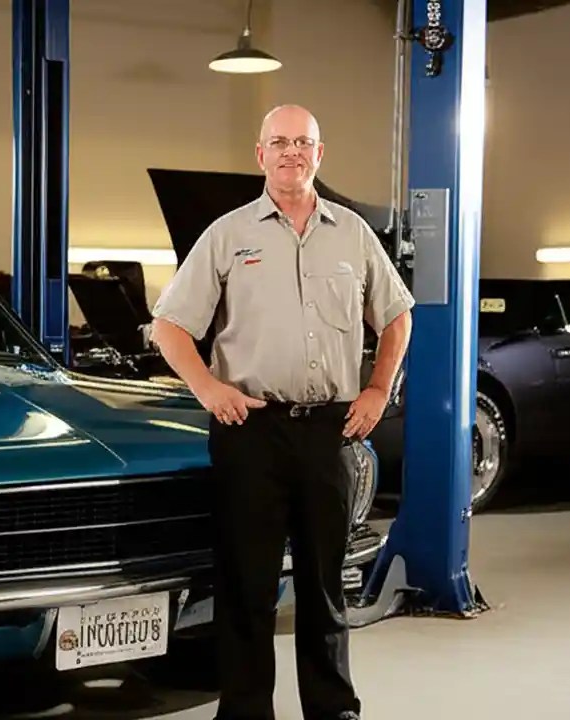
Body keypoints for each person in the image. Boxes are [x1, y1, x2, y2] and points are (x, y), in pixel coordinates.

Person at [149, 104, 414, 720]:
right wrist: (208, 388)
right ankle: (244, 713)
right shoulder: (227, 234)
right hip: (251, 434)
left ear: (320, 154)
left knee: (325, 584)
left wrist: (377, 390)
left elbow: (397, 315)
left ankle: (333, 708)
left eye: (303, 142)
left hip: (329, 432)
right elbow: (169, 326)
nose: (292, 152)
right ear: (259, 155)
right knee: (247, 586)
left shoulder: (351, 233)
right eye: (279, 142)